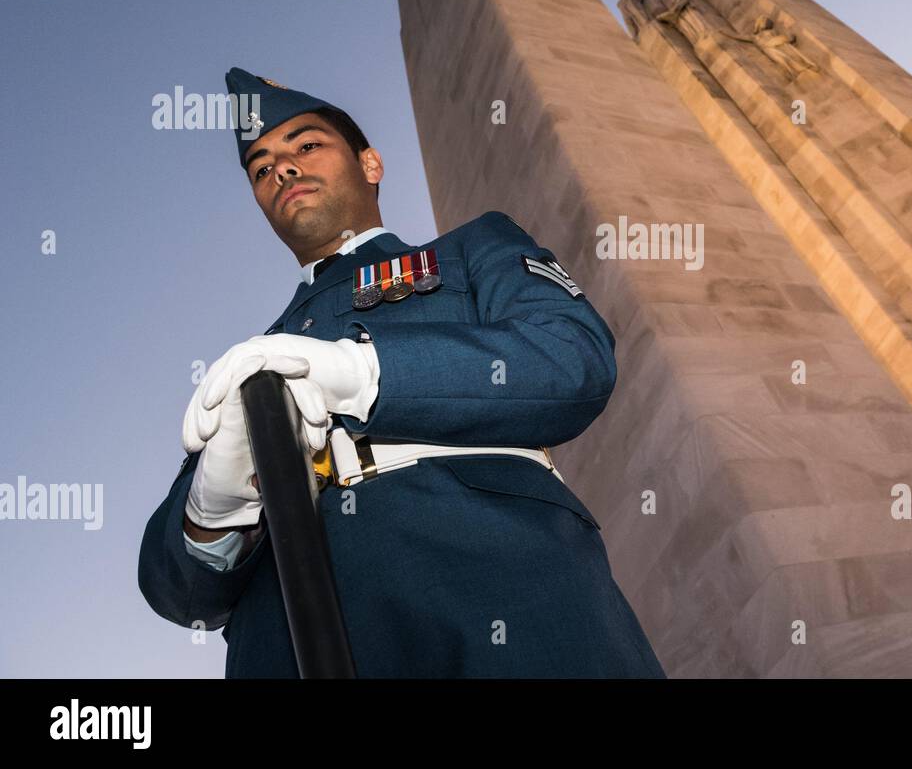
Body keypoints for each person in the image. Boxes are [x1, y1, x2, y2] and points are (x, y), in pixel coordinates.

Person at [137, 67, 666, 678]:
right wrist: (214, 510)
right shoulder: (250, 366)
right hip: (287, 643)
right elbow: (180, 597)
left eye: (306, 146)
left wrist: (364, 371)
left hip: (495, 594)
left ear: (370, 164)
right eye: (260, 168)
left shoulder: (471, 250)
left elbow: (570, 358)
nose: (282, 169)